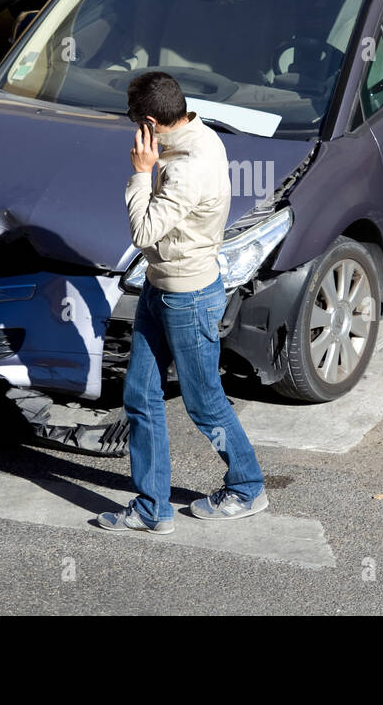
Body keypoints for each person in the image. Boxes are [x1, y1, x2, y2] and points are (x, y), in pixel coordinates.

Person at [96, 72, 266, 534]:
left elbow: (144, 231)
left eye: (134, 120)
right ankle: (153, 508)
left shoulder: (187, 166)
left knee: (204, 401)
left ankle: (248, 487)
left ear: (151, 121)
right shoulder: (200, 131)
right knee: (140, 394)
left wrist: (140, 172)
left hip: (187, 297)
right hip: (161, 286)